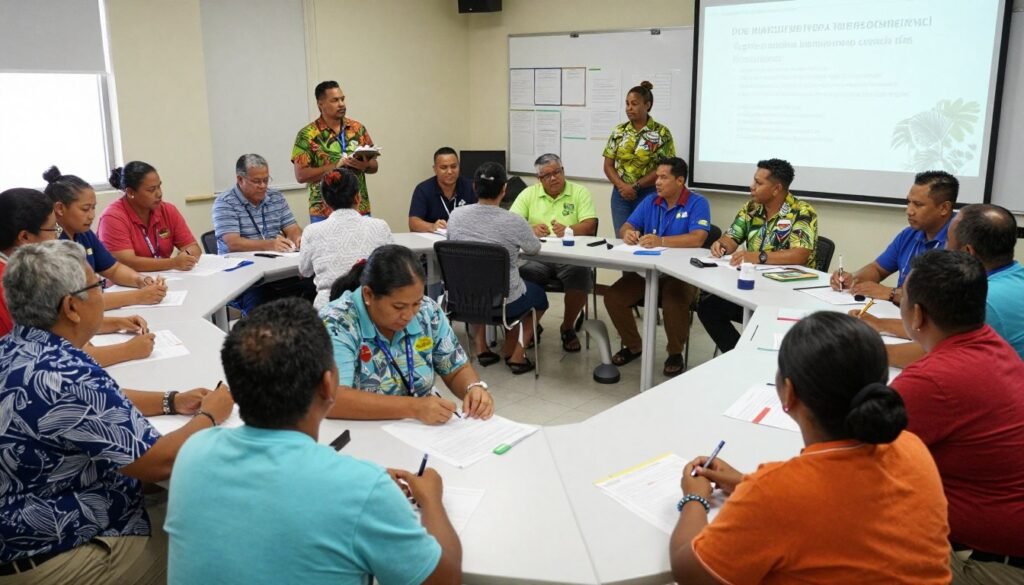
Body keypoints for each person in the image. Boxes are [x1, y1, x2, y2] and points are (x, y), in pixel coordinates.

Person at [166, 298, 462, 584]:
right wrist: (431, 500)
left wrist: (361, 487)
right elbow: (445, 580)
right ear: (328, 384)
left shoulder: (193, 454)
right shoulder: (361, 490)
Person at [0, 240, 233, 585]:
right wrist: (210, 416)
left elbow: (95, 403)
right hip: (59, 555)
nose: (102, 294)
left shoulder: (17, 347)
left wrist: (171, 400)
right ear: (71, 308)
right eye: (97, 286)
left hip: (19, 533)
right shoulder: (69, 375)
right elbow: (159, 462)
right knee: (220, 538)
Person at [670, 312, 951, 584]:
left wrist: (695, 499)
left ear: (788, 393)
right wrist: (746, 483)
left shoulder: (776, 493)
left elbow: (690, 573)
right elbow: (834, 503)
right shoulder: (911, 446)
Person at [888, 250, 1024, 583]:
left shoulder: (930, 381)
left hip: (980, 561)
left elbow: (848, 466)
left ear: (916, 315)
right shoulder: (994, 344)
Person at [321, 245, 494, 424]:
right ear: (368, 294)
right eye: (398, 307)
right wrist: (414, 407)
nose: (409, 315)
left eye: (416, 303)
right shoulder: (337, 323)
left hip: (419, 429)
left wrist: (473, 388)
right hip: (360, 430)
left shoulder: (427, 312)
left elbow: (456, 368)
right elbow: (334, 399)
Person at [0, 188, 155, 366]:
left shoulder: (20, 269)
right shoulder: (14, 284)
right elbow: (56, 361)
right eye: (52, 229)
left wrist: (115, 323)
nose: (56, 236)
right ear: (25, 237)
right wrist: (128, 350)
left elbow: (55, 324)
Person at [856, 204, 1024, 365]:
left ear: (967, 252)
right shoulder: (1013, 275)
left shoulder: (983, 298)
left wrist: (869, 352)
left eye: (948, 241)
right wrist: (880, 324)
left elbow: (934, 352)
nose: (944, 247)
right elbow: (936, 327)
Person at [604, 157, 710, 376]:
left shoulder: (698, 203)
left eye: (663, 177)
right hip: (648, 273)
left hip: (681, 275)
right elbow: (626, 226)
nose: (657, 182)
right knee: (613, 296)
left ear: (680, 181)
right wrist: (629, 234)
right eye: (657, 177)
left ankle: (674, 353)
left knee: (673, 301)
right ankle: (633, 345)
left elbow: (698, 238)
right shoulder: (651, 200)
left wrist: (662, 241)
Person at [698, 158, 818, 352]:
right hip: (753, 287)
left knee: (763, 322)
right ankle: (738, 355)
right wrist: (721, 245)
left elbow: (799, 255)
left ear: (777, 189)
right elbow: (732, 236)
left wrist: (757, 257)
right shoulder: (752, 207)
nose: (751, 187)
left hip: (787, 294)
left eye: (759, 183)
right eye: (754, 181)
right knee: (708, 308)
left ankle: (755, 357)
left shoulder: (802, 212)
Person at [447, 162, 548, 374]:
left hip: (464, 298)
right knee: (539, 298)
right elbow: (534, 248)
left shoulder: (456, 215)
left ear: (474, 187)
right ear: (504, 190)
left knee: (477, 280)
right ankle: (517, 357)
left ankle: (482, 348)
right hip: (504, 303)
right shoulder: (514, 221)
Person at [43, 166, 169, 311]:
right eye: (85, 209)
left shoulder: (83, 233)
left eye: (93, 208)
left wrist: (141, 280)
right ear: (60, 208)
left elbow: (113, 269)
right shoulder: (51, 244)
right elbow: (79, 302)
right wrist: (139, 296)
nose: (91, 215)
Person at [510, 153, 597, 353]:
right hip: (537, 257)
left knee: (580, 275)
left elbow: (590, 225)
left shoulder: (579, 192)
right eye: (546, 175)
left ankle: (567, 327)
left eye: (556, 172)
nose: (553, 178)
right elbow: (512, 222)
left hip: (571, 257)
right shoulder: (529, 194)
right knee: (524, 276)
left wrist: (569, 230)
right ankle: (532, 325)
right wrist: (530, 229)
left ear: (563, 171)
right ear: (539, 179)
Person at [831, 170, 958, 304]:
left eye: (918, 204)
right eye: (909, 202)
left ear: (944, 208)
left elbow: (942, 298)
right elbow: (878, 269)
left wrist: (891, 293)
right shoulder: (909, 234)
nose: (909, 211)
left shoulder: (959, 241)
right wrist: (853, 279)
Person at [212, 154, 311, 315]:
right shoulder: (225, 203)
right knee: (261, 303)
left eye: (266, 179)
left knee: (311, 287)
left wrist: (298, 239)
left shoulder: (276, 197)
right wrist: (270, 244)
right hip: (243, 277)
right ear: (240, 179)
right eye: (257, 181)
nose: (263, 186)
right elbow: (233, 243)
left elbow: (292, 228)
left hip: (277, 271)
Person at [299, 168, 393, 309]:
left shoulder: (312, 231)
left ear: (325, 202)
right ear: (358, 197)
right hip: (373, 307)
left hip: (329, 310)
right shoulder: (380, 226)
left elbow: (304, 271)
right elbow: (392, 264)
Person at [292, 80, 378, 221]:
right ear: (321, 104)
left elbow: (374, 166)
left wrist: (365, 165)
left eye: (342, 99)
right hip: (324, 211)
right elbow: (301, 176)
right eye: (335, 100)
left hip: (359, 208)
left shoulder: (357, 128)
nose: (341, 104)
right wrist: (335, 166)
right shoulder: (307, 135)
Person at [97, 161, 202, 272]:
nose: (159, 194)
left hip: (164, 279)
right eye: (151, 190)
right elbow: (127, 262)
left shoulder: (168, 210)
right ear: (130, 192)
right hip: (125, 285)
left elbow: (193, 247)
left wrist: (187, 256)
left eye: (159, 187)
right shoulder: (112, 217)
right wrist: (173, 262)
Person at [602, 80, 676, 234]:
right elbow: (608, 165)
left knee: (645, 238)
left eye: (634, 104)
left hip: (649, 193)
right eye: (627, 104)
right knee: (623, 238)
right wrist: (622, 187)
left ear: (647, 105)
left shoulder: (661, 133)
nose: (629, 108)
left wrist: (635, 186)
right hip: (620, 195)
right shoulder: (619, 131)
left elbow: (664, 169)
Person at [409, 146, 477, 233]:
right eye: (444, 167)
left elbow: (482, 216)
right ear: (435, 169)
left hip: (465, 239)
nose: (450, 171)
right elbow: (413, 223)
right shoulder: (423, 189)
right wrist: (432, 226)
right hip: (433, 242)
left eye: (453, 166)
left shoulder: (471, 187)